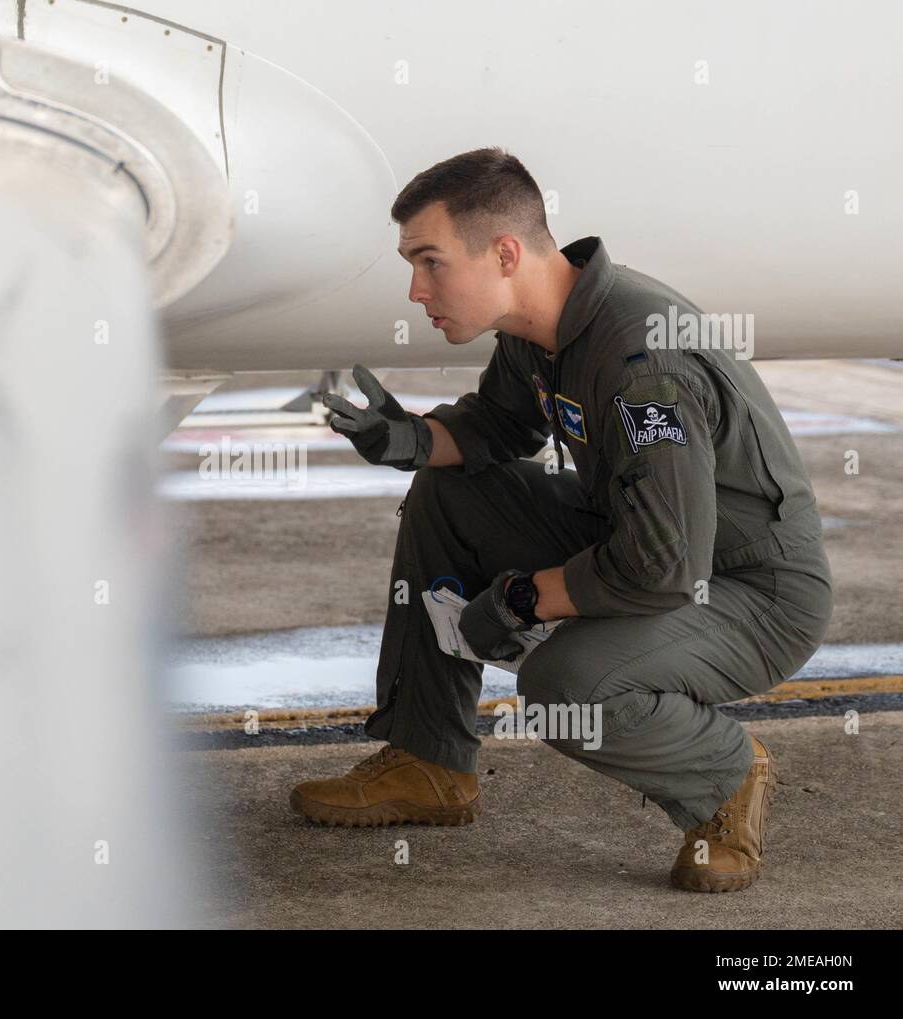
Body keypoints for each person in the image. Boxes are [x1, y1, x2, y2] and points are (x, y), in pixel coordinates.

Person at [289, 148, 833, 892]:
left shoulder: (645, 365)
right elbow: (500, 428)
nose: (416, 289)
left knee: (566, 685)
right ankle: (429, 762)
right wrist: (413, 439)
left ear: (505, 253)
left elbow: (664, 564)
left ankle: (722, 773)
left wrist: (521, 598)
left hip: (750, 589)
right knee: (445, 494)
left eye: (429, 261)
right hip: (644, 534)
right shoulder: (537, 328)